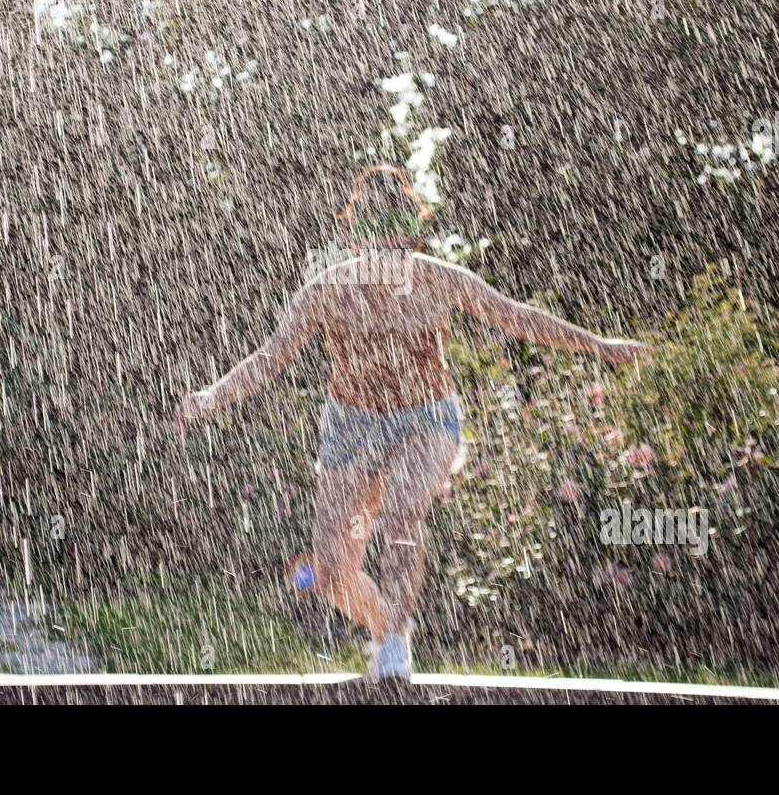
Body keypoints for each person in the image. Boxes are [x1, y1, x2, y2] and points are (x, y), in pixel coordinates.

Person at [174, 165, 651, 680]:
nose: (388, 259)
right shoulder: (328, 290)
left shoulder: (441, 280)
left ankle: (398, 639)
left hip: (426, 418)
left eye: (398, 243)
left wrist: (600, 345)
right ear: (359, 239)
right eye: (377, 243)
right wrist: (212, 395)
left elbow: (518, 317)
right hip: (352, 426)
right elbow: (272, 357)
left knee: (403, 514)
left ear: (409, 237)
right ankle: (384, 631)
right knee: (332, 572)